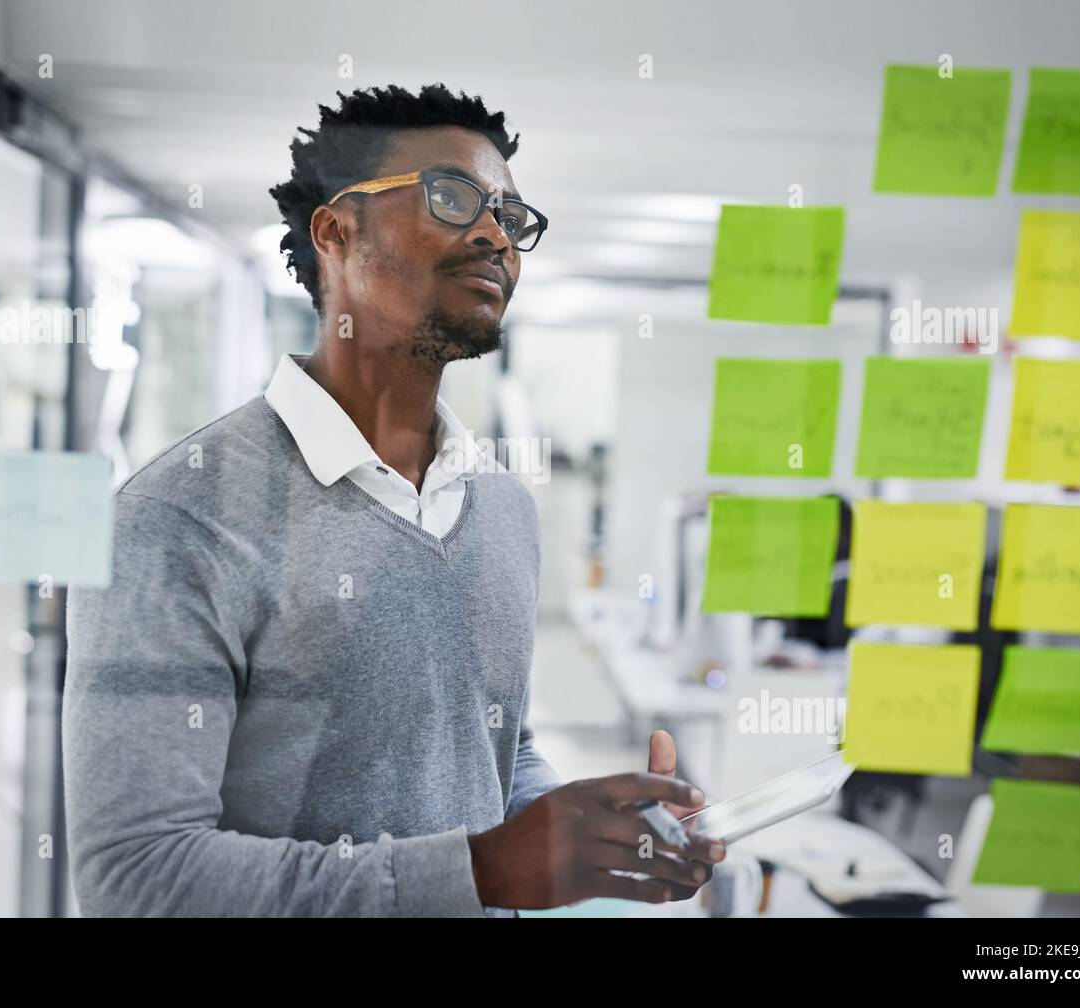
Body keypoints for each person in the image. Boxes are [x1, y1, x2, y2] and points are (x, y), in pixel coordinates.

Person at [63, 83, 724, 917]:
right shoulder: (176, 519)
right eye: (453, 198)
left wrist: (589, 830)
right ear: (336, 231)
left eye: (512, 219)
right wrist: (481, 871)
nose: (494, 234)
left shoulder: (503, 511)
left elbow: (495, 755)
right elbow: (136, 880)